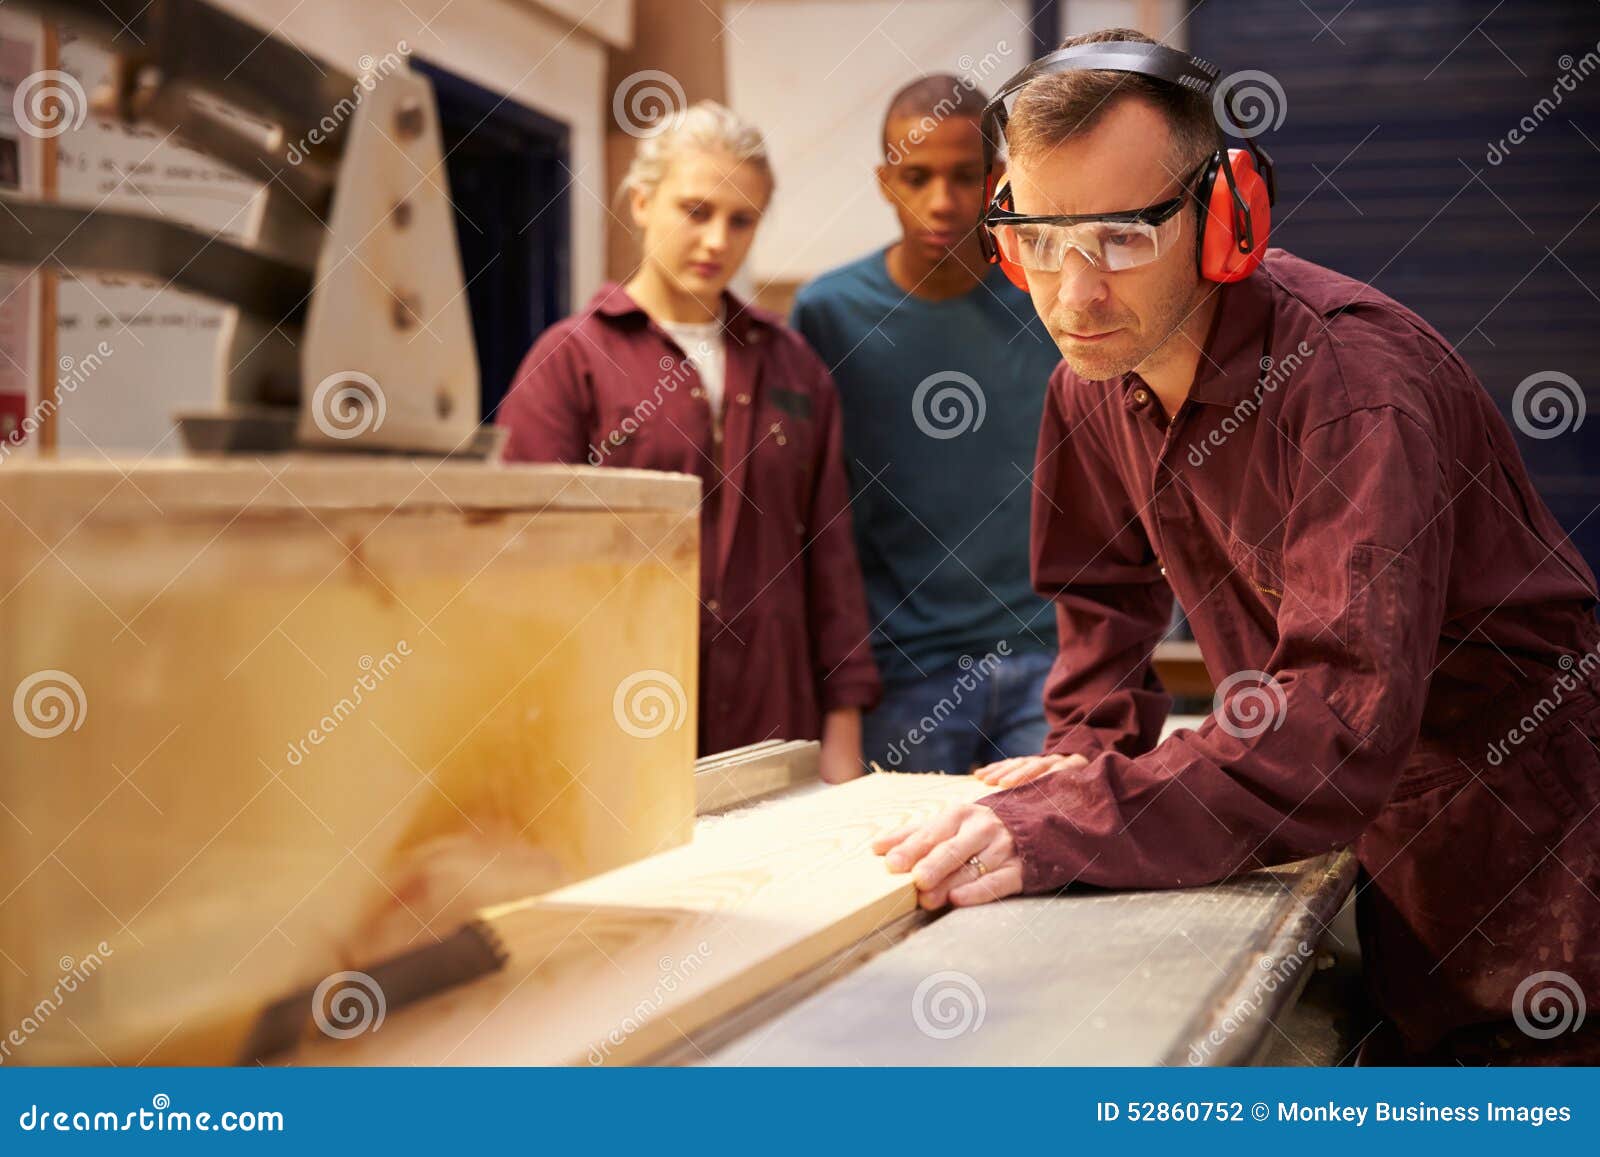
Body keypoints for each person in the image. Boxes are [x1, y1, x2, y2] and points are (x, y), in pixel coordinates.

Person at [874, 28, 1600, 1063]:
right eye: (1038, 235)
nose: (1073, 294)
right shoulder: (1090, 381)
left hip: (1541, 870)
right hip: (1385, 848)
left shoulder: (1351, 386)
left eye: (1122, 235)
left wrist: (1074, 822)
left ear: (1226, 219)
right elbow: (1098, 599)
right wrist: (1085, 759)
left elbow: (1335, 723)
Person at [496, 101, 880, 780]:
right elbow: (524, 565)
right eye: (695, 211)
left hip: (773, 722)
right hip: (617, 723)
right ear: (642, 202)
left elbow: (831, 555)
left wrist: (843, 729)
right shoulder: (569, 362)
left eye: (741, 220)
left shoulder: (793, 367)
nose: (717, 242)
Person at [791, 75, 1061, 775]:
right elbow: (811, 513)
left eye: (963, 176)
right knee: (910, 876)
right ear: (885, 181)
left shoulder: (1055, 301)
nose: (941, 201)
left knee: (1058, 876)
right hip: (904, 673)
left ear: (996, 179)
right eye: (916, 176)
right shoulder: (829, 315)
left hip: (1047, 658)